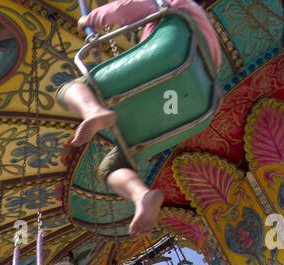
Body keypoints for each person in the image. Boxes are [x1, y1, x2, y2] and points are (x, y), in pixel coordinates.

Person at [57, 0, 223, 236]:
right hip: (194, 107)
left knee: (70, 89)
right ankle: (141, 196)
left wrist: (91, 19)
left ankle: (93, 110)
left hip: (165, 59)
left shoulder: (173, 2)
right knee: (111, 166)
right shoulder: (205, 28)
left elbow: (127, 8)